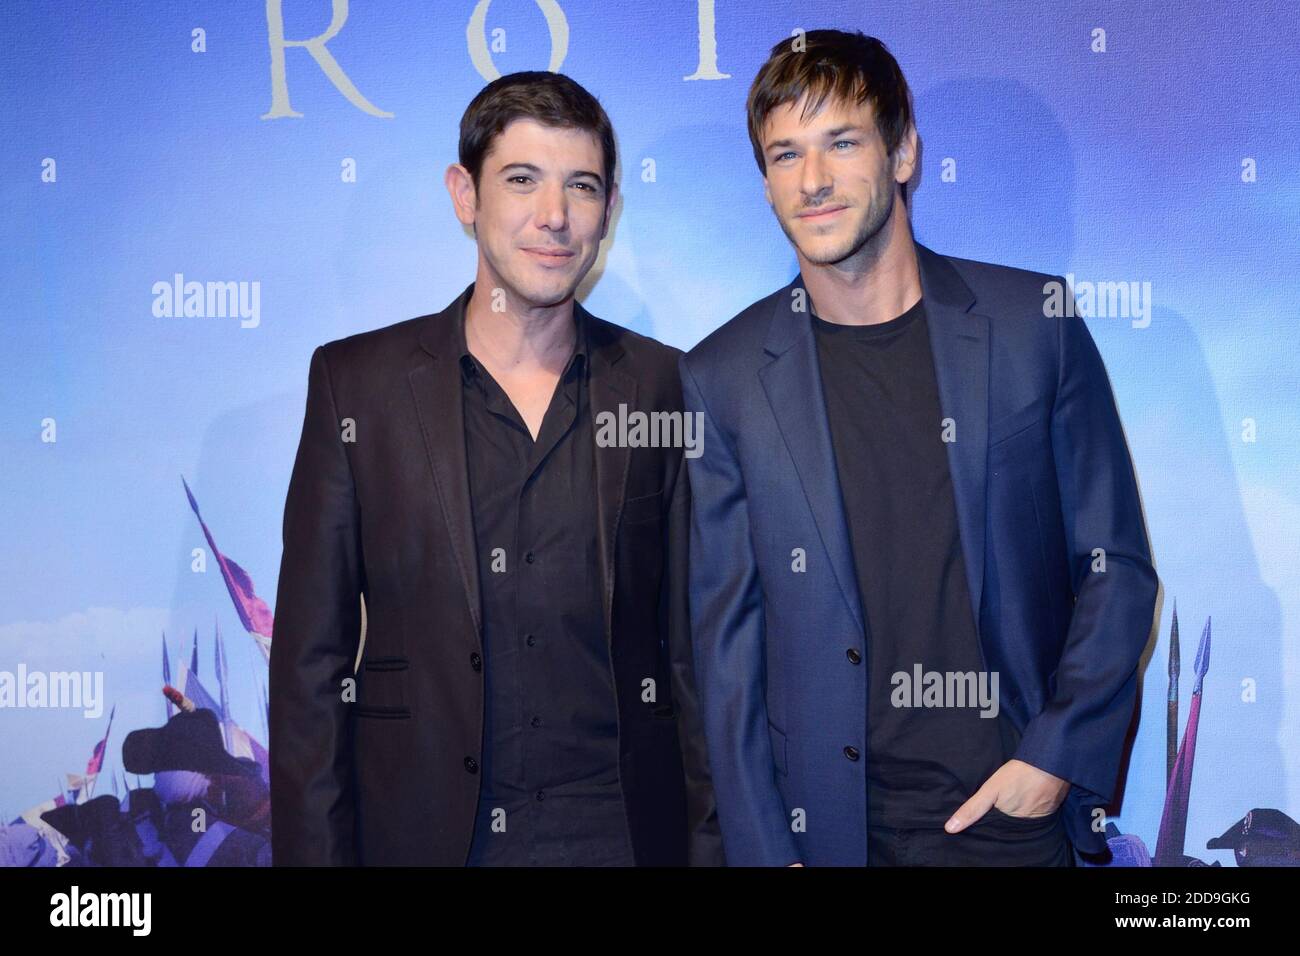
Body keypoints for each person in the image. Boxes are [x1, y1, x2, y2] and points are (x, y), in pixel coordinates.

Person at [681, 30, 1158, 866]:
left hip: (1007, 824)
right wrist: (765, 850)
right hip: (830, 836)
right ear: (765, 181)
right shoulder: (724, 375)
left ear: (903, 153)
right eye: (785, 154)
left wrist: (1050, 762)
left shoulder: (1031, 325)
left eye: (841, 143)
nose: (813, 180)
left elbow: (1115, 567)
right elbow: (727, 647)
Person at [270, 71, 722, 866]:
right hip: (428, 839)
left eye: (582, 186)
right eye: (521, 180)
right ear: (464, 195)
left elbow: (697, 657)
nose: (554, 215)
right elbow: (311, 668)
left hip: (620, 838)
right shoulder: (357, 386)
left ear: (610, 210)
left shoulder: (664, 384)